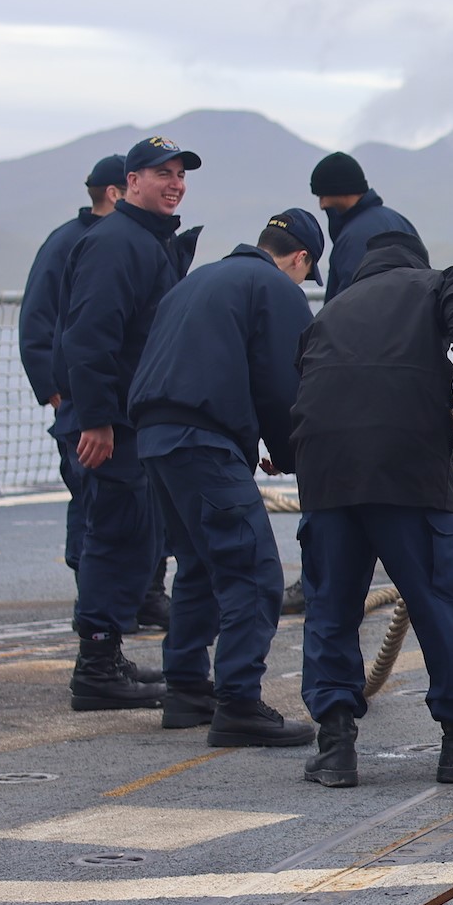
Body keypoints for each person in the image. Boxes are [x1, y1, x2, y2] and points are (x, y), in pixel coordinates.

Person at [293, 227, 453, 794]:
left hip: (325, 468)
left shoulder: (332, 309)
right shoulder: (443, 281)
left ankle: (335, 746)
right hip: (405, 463)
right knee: (438, 598)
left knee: (332, 605)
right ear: (417, 258)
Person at [128, 210, 322, 746]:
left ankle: (187, 689)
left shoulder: (200, 279)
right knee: (254, 573)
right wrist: (290, 452)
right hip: (203, 440)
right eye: (308, 274)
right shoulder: (275, 288)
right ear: (301, 258)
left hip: (154, 437)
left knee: (197, 565)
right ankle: (238, 702)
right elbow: (282, 381)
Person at [308, 150, 453, 603]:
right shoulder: (391, 222)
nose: (323, 209)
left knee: (398, 478)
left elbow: (346, 306)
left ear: (337, 196)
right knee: (416, 471)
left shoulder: (358, 237)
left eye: (325, 202)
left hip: (366, 373)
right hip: (403, 372)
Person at [56, 135, 208, 710]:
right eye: (161, 173)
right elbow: (89, 337)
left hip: (133, 421)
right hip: (112, 425)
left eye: (180, 174)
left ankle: (107, 655)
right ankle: (95, 668)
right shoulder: (117, 243)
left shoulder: (146, 242)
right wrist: (96, 420)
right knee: (115, 540)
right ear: (131, 181)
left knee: (137, 540)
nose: (175, 184)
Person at [20, 153, 125, 577]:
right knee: (90, 496)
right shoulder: (67, 243)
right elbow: (37, 319)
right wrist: (53, 389)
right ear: (118, 192)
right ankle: (95, 600)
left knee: (133, 500)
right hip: (80, 401)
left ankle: (138, 597)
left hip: (125, 399)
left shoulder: (136, 240)